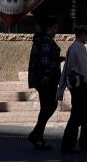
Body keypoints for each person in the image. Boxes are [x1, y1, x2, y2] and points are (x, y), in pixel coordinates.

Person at [27, 14, 63, 150]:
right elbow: (44, 59)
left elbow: (46, 57)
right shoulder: (46, 40)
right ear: (49, 28)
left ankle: (38, 136)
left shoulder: (40, 40)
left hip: (39, 78)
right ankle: (36, 134)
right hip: (45, 79)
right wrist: (47, 75)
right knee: (50, 106)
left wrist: (58, 59)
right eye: (55, 28)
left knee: (46, 107)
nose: (56, 30)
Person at [62, 30, 87, 153]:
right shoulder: (80, 47)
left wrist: (62, 86)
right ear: (82, 35)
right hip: (80, 84)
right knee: (85, 114)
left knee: (79, 114)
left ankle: (73, 143)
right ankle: (80, 143)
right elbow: (85, 66)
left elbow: (66, 68)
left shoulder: (72, 47)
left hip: (73, 83)